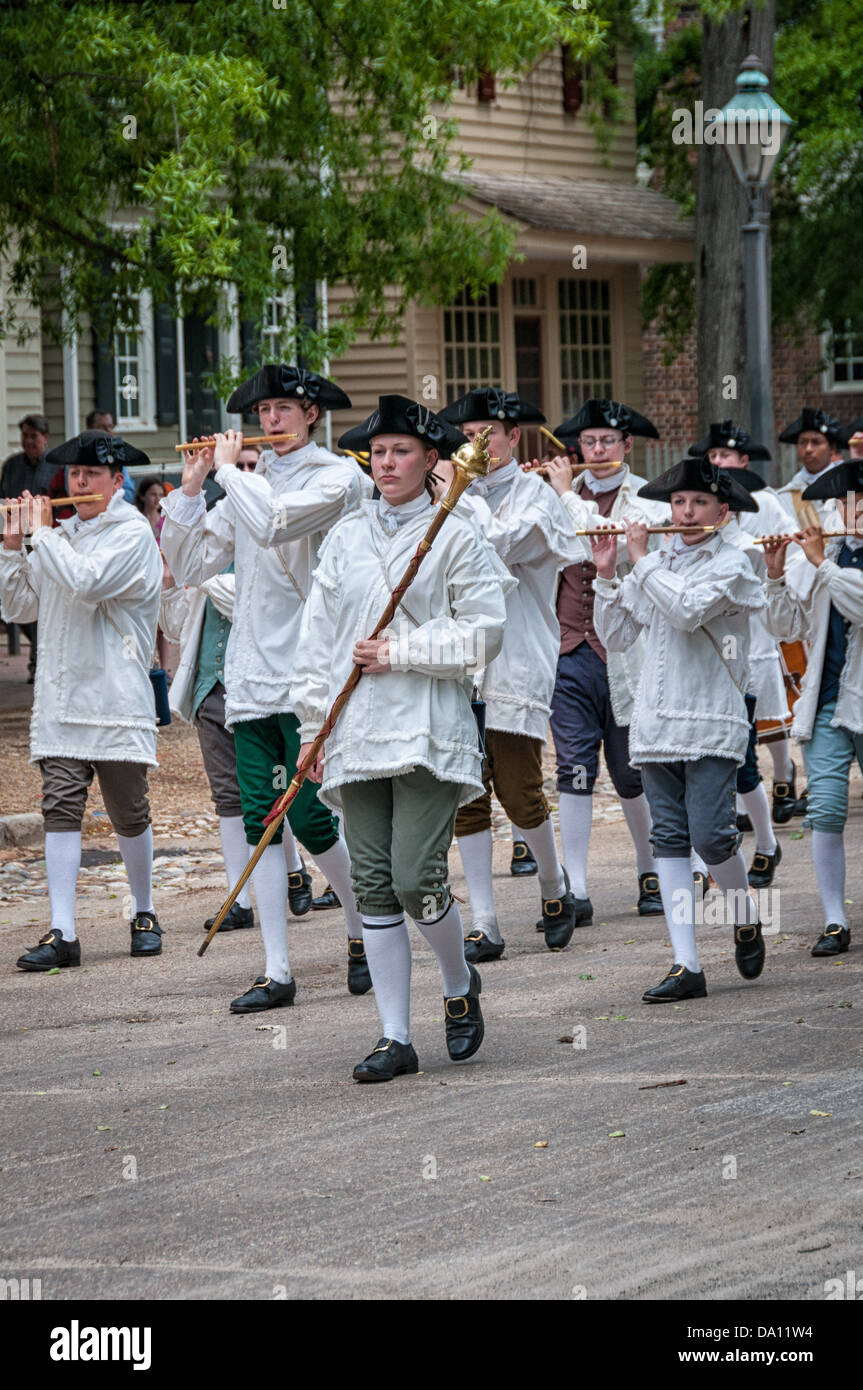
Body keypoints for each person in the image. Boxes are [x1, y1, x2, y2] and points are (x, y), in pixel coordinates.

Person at [291, 395, 509, 1081]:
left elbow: (484, 631)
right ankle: (394, 1036)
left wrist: (402, 652)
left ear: (431, 460)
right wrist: (309, 725)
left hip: (424, 729)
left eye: (401, 452)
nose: (386, 464)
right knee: (374, 886)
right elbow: (319, 641)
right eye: (377, 453)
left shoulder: (458, 531)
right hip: (355, 730)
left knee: (417, 876)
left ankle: (456, 979)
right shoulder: (346, 538)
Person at [159, 364, 371, 1013]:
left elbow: (277, 521)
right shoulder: (246, 484)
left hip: (310, 668)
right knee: (261, 821)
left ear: (311, 413)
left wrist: (228, 474)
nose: (270, 419)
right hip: (251, 675)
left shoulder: (338, 477)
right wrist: (192, 493)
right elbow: (191, 565)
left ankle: (363, 925)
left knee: (305, 812)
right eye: (263, 410)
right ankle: (277, 970)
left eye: (283, 408)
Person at [592, 458, 768, 1003]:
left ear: (722, 510)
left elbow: (688, 610)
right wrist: (604, 574)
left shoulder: (737, 563)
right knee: (667, 838)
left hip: (711, 721)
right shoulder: (659, 562)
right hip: (656, 723)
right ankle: (685, 963)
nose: (685, 514)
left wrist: (639, 559)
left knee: (713, 837)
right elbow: (617, 634)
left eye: (698, 504)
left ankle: (743, 915)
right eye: (678, 503)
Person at [0, 431, 163, 973]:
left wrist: (42, 536)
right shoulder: (59, 534)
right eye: (73, 475)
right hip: (63, 696)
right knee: (60, 805)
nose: (80, 484)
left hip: (114, 695)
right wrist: (10, 547)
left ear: (117, 482)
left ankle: (143, 911)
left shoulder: (133, 533)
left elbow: (89, 583)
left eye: (92, 475)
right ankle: (63, 931)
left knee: (128, 811)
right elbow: (20, 602)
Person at [436, 387, 584, 957]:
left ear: (513, 436)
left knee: (520, 790)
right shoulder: (453, 495)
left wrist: (456, 495)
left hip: (518, 656)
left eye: (489, 435)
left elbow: (494, 545)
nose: (478, 446)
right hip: (459, 662)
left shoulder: (535, 497)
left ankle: (554, 886)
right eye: (468, 437)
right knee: (466, 795)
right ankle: (486, 922)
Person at [544, 399, 669, 922]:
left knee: (629, 772)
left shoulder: (649, 500)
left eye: (607, 443)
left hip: (626, 656)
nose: (596, 452)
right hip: (568, 651)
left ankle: (650, 867)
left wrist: (562, 495)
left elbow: (606, 541)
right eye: (588, 443)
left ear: (627, 446)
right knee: (573, 769)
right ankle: (575, 887)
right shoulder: (557, 499)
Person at [763, 458, 863, 957]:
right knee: (824, 808)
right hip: (826, 702)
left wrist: (822, 564)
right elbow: (787, 628)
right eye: (847, 502)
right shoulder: (828, 554)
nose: (853, 510)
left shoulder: (830, 562)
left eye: (860, 502)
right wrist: (778, 576)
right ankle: (834, 920)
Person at [689, 420, 803, 827]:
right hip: (719, 617)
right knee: (732, 712)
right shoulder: (702, 505)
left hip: (757, 618)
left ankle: (784, 775)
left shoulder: (766, 501)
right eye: (713, 456)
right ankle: (739, 802)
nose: (719, 461)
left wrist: (774, 572)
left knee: (765, 702)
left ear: (743, 460)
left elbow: (790, 542)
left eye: (725, 456)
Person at [1, 414, 52, 681]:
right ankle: (35, 648)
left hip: (45, 540)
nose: (29, 441)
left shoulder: (56, 465)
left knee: (41, 599)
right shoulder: (11, 465)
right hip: (17, 539)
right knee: (16, 600)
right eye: (25, 436)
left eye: (34, 436)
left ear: (45, 437)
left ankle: (38, 657)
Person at [776, 409, 845, 523]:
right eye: (803, 442)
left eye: (816, 442)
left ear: (832, 448)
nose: (808, 449)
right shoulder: (788, 494)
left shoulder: (846, 485)